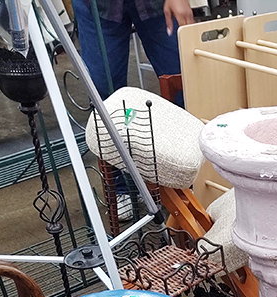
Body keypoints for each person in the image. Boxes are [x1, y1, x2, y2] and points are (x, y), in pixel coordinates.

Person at [72, 0, 194, 217]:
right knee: (104, 94)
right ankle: (119, 187)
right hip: (99, 6)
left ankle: (190, 177)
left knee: (184, 81)